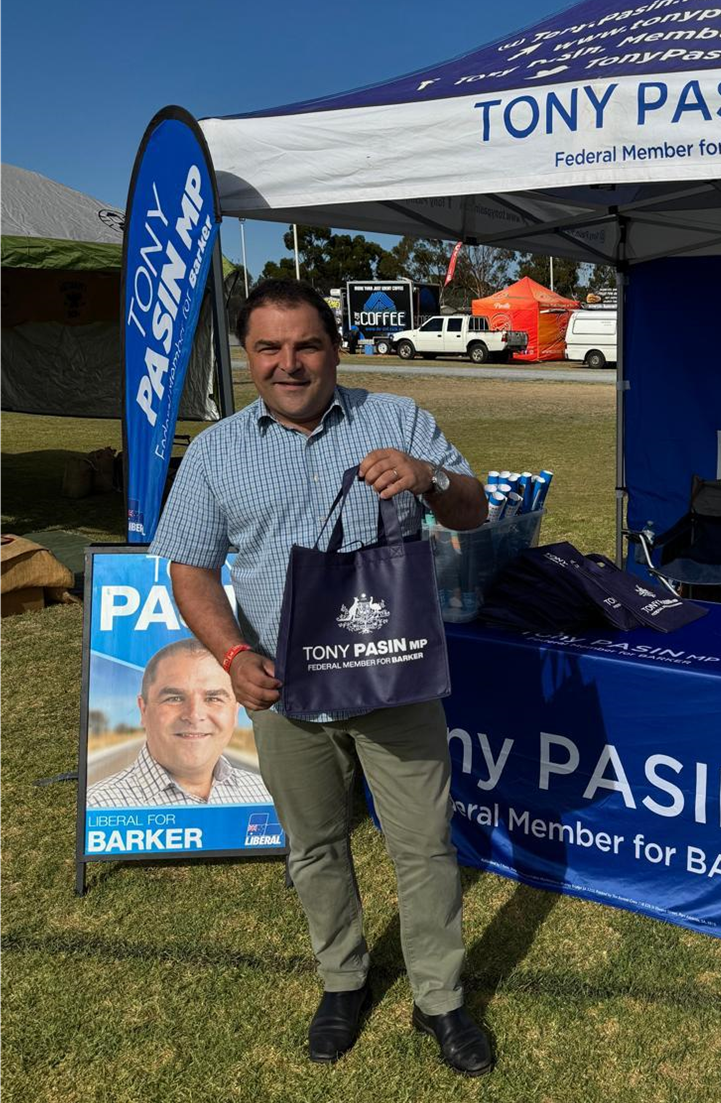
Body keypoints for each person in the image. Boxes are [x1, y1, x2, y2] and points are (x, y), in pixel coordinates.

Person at [150, 278, 492, 1075]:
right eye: (268, 348)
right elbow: (191, 571)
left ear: (334, 347)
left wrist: (430, 477)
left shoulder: (396, 419)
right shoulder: (215, 452)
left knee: (424, 845)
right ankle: (343, 980)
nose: (288, 363)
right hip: (285, 688)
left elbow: (474, 511)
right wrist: (234, 658)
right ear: (247, 356)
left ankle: (438, 997)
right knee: (313, 844)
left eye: (306, 344)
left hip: (393, 682)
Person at [87, 637, 269, 808]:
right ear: (143, 709)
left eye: (213, 698)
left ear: (235, 710)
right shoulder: (100, 805)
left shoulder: (266, 796)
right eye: (174, 698)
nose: (194, 714)